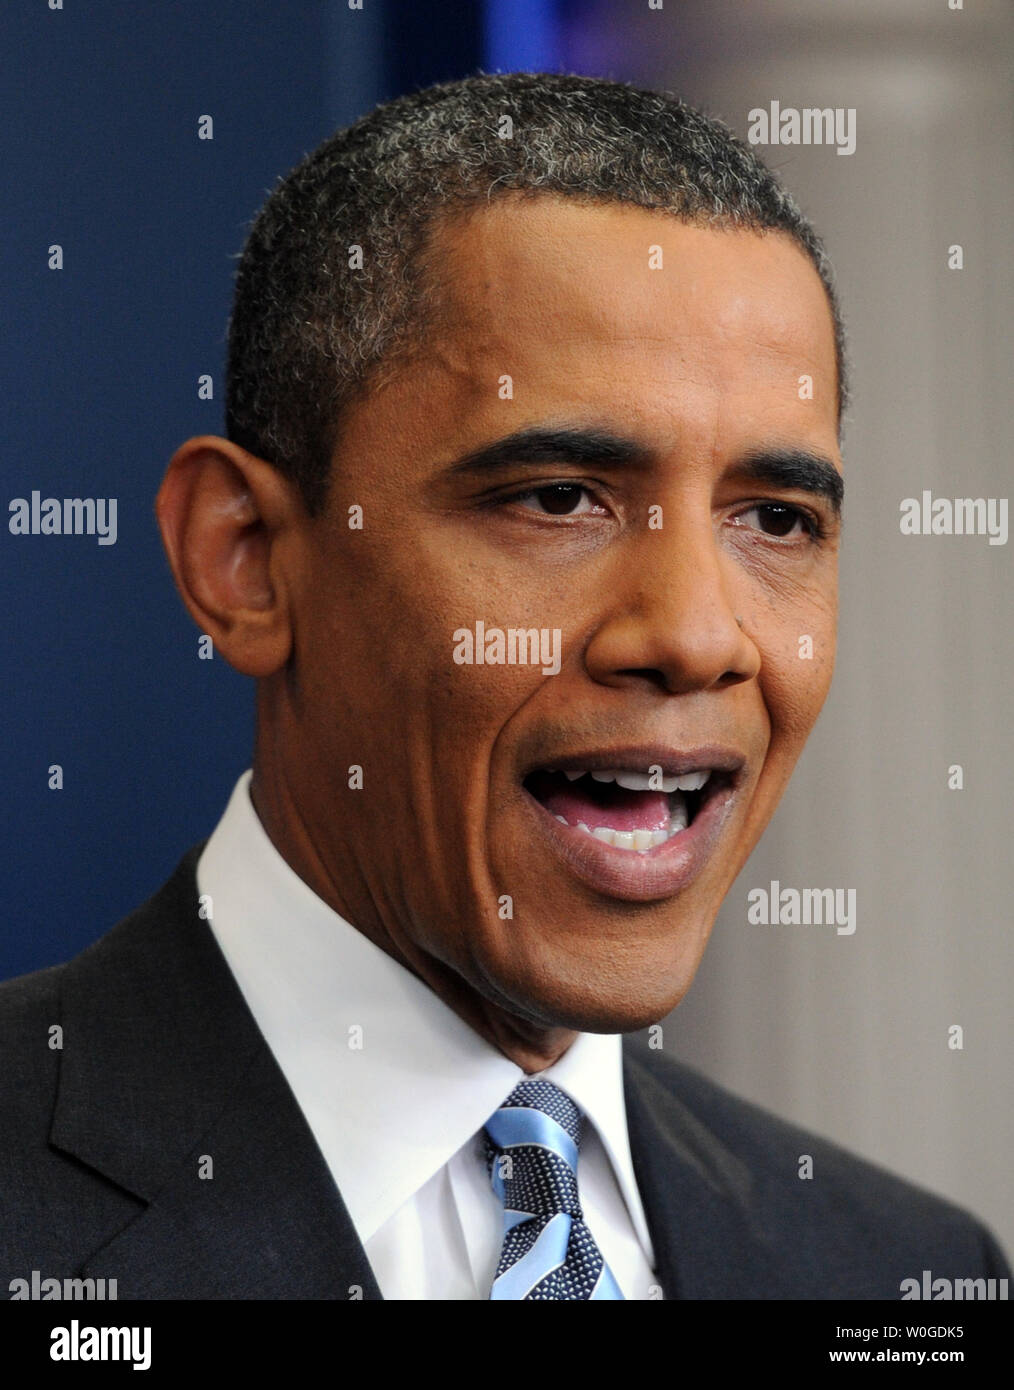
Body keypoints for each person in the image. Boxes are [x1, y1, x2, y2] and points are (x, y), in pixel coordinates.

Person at [2, 72, 1007, 1301]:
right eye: (557, 498)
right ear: (246, 561)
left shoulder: (903, 1275)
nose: (695, 636)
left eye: (776, 520)